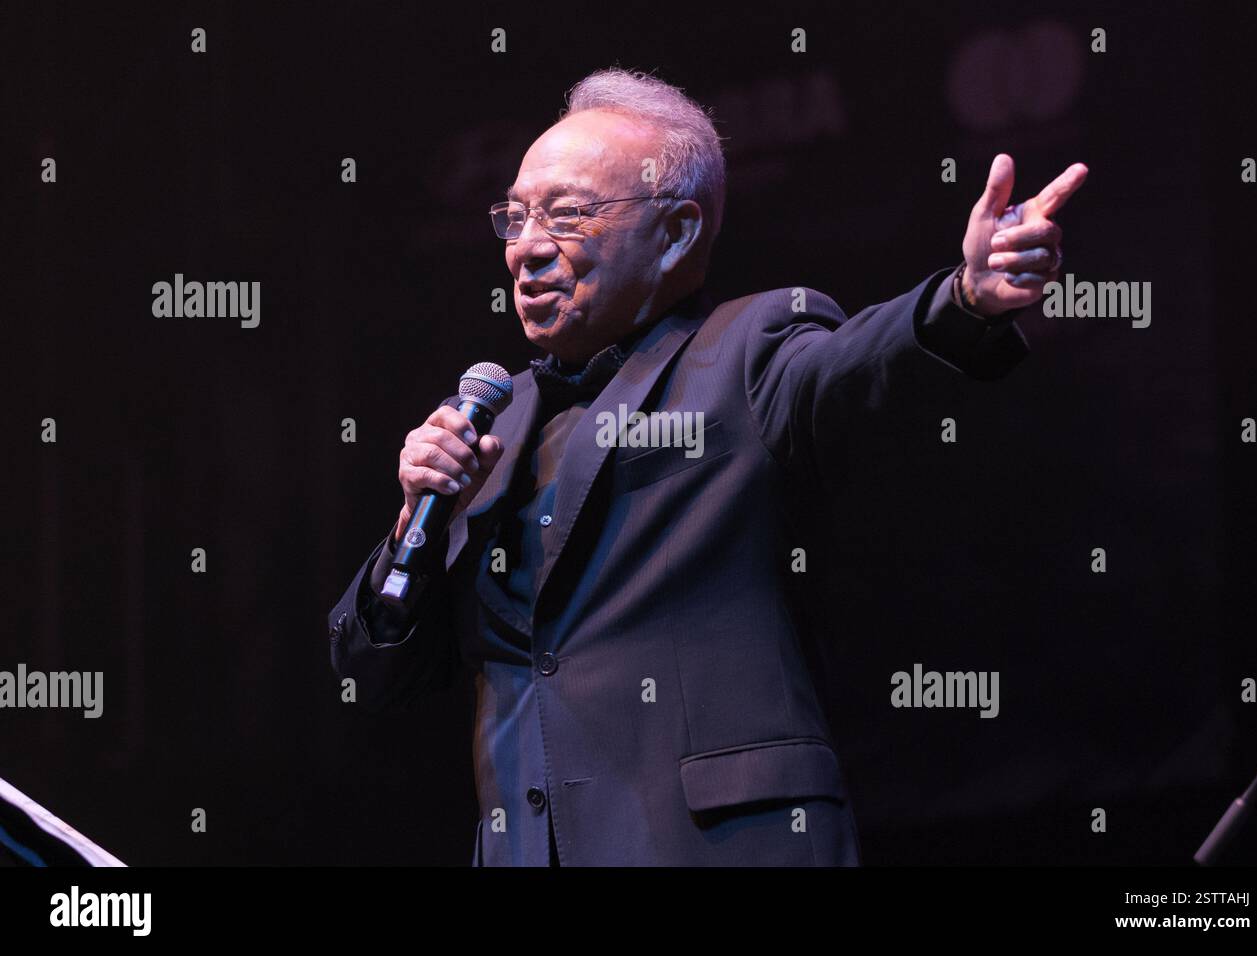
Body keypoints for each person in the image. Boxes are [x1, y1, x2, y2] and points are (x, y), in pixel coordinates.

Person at [327, 67, 1087, 866]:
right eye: (514, 218)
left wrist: (966, 298)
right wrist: (418, 514)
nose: (526, 249)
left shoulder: (747, 351)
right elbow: (375, 675)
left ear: (678, 231)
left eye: (568, 215)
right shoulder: (493, 421)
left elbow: (858, 366)